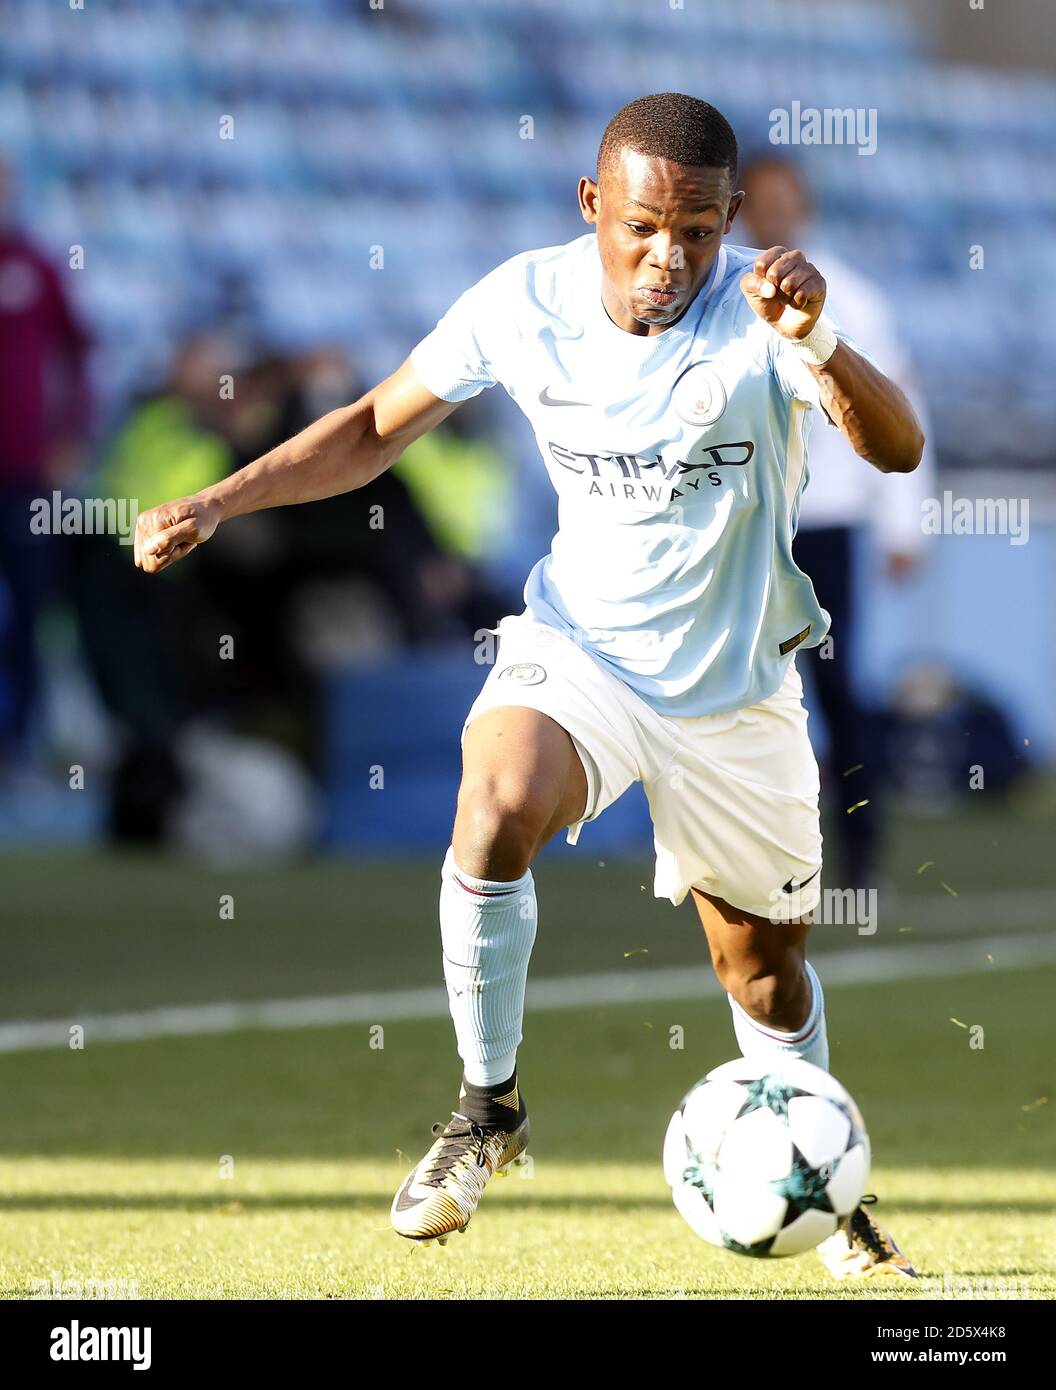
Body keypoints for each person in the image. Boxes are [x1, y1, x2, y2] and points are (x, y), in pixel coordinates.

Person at [133, 94, 924, 1279]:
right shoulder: (522, 301)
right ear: (592, 205)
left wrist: (815, 340)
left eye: (702, 231)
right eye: (648, 226)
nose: (674, 257)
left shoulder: (771, 307)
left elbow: (899, 449)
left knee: (760, 970)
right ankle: (488, 1111)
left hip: (733, 688)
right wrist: (219, 499)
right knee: (498, 800)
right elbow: (369, 426)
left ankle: (816, 1170)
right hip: (581, 649)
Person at [738, 153, 934, 888]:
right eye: (760, 199)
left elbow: (902, 412)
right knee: (745, 687)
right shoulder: (721, 291)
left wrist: (904, 523)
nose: (773, 211)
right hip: (747, 522)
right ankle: (747, 850)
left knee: (833, 682)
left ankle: (859, 844)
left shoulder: (854, 297)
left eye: (784, 198)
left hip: (824, 520)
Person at [0, 157, 91, 771]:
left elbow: (79, 354)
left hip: (24, 474)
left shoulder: (34, 265)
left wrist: (70, 437)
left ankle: (18, 747)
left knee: (31, 608)